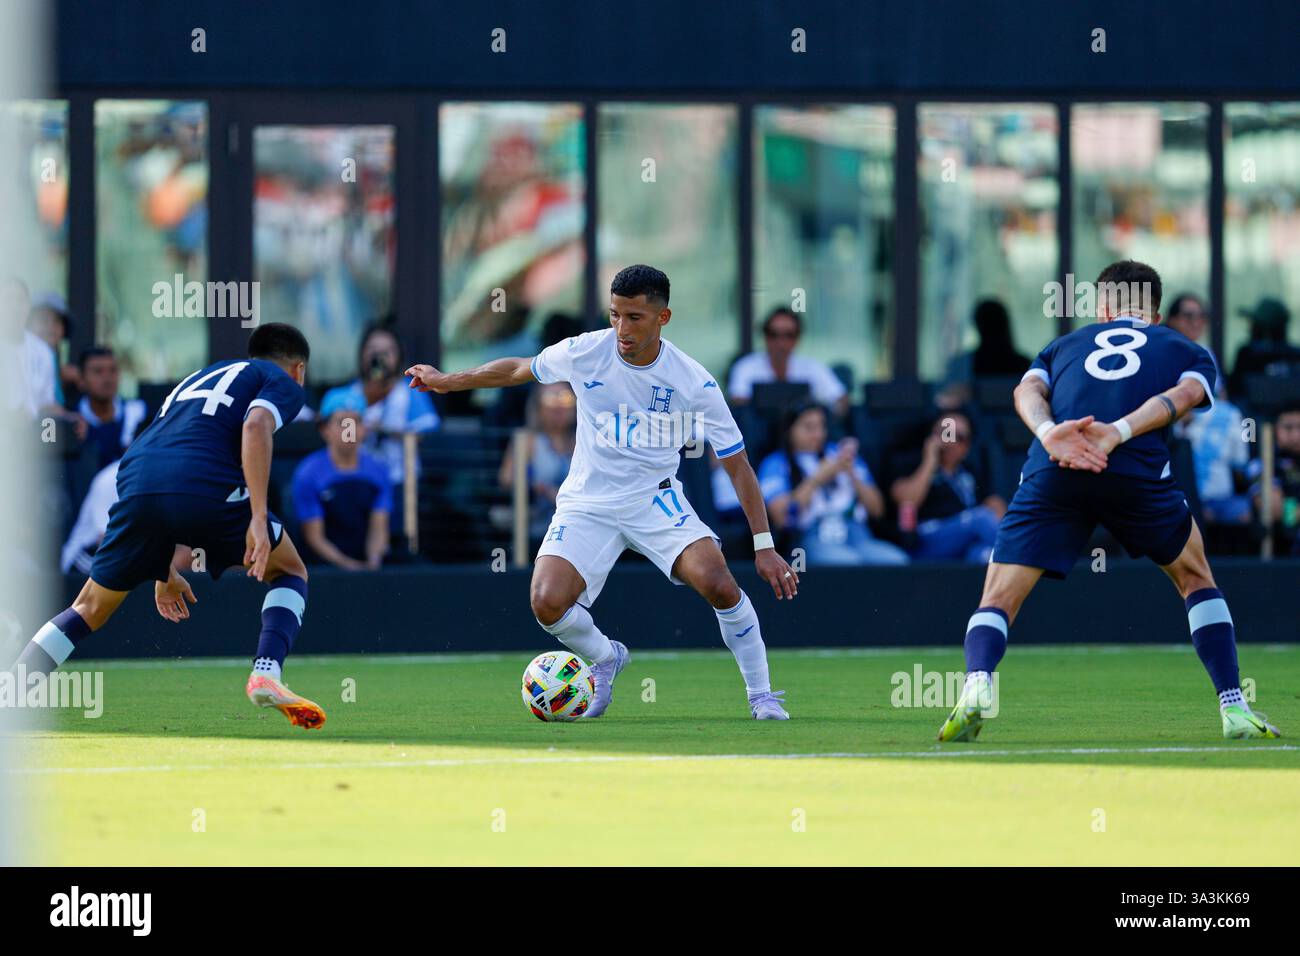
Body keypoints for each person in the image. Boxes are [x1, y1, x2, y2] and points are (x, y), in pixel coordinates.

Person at [407, 264, 799, 720]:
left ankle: (762, 696)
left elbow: (738, 465)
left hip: (654, 499)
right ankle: (606, 656)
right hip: (587, 502)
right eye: (614, 314)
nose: (621, 328)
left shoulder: (694, 381)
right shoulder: (586, 350)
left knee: (718, 583)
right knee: (546, 603)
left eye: (634, 317)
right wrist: (446, 380)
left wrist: (764, 546)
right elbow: (518, 369)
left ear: (663, 318)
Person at [937, 260, 1282, 743]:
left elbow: (1027, 389)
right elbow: (1182, 398)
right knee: (1196, 578)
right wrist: (1114, 434)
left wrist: (1048, 432)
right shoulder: (1188, 349)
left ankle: (976, 685)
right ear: (1156, 316)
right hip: (1135, 472)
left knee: (997, 597)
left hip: (1053, 467)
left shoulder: (1063, 345)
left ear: (1102, 310)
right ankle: (1233, 705)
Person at [8, 323, 327, 730]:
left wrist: (161, 567)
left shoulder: (199, 377)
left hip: (135, 480)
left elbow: (172, 460)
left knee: (88, 607)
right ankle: (266, 672)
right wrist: (259, 519)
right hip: (199, 483)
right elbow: (255, 426)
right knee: (290, 570)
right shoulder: (281, 380)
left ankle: (13, 689)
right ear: (298, 369)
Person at [758, 403, 908, 566]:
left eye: (821, 426)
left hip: (856, 533)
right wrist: (817, 478)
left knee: (897, 561)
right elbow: (782, 517)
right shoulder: (775, 463)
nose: (818, 434)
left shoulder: (842, 454)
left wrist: (852, 475)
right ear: (789, 430)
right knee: (846, 563)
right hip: (810, 537)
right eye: (809, 427)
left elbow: (877, 510)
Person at [320, 322, 440, 522]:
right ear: (362, 354)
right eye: (374, 350)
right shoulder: (347, 394)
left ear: (399, 356)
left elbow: (427, 435)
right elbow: (331, 433)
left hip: (400, 483)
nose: (380, 357)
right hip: (357, 480)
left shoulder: (411, 391)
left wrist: (385, 430)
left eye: (387, 351)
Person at [291, 391, 392, 571]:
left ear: (365, 429)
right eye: (342, 423)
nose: (350, 430)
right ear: (325, 429)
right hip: (323, 570)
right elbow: (314, 537)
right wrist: (349, 567)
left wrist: (373, 562)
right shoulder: (308, 473)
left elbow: (379, 527)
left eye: (356, 422)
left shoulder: (379, 470)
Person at [890, 411, 1005, 563]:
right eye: (946, 433)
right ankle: (1024, 556)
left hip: (965, 540)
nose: (950, 442)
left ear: (967, 446)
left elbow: (996, 505)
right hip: (925, 540)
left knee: (983, 554)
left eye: (959, 438)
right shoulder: (911, 462)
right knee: (981, 519)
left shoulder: (969, 471)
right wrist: (930, 461)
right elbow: (906, 501)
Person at [727, 307, 848, 417]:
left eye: (789, 335)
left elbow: (840, 399)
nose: (781, 342)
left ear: (798, 338)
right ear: (765, 336)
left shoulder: (812, 367)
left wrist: (823, 417)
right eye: (773, 334)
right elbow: (738, 403)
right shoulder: (746, 367)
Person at [497, 381, 576, 543]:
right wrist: (539, 488)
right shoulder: (527, 440)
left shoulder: (583, 440)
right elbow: (506, 479)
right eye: (550, 399)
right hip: (537, 530)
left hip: (578, 527)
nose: (558, 407)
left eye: (566, 398)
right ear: (538, 405)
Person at [75, 347, 150, 472]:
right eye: (98, 371)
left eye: (113, 370)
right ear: (81, 380)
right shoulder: (71, 420)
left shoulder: (139, 413)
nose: (107, 378)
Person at [1248, 404, 1300, 555]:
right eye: (1288, 428)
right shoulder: (1262, 462)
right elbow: (1273, 510)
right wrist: (1292, 511)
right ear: (1275, 429)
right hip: (1281, 549)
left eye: (1299, 427)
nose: (1295, 435)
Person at [1227, 297, 1300, 399]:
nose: (1249, 328)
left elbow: (1235, 393)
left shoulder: (1248, 354)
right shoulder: (1296, 354)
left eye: (1253, 323)